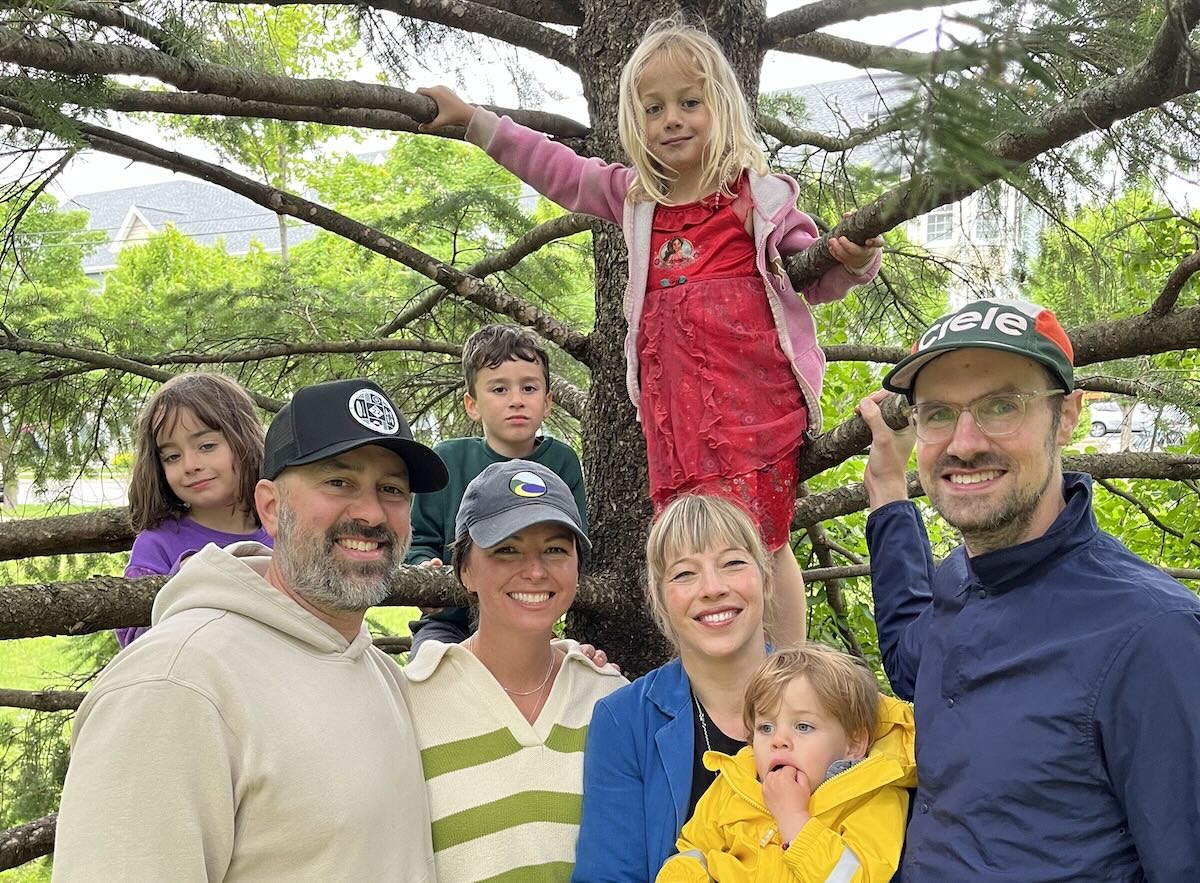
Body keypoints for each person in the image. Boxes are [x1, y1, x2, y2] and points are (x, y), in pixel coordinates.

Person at [418, 15, 884, 638]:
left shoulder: (758, 200)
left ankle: (788, 673)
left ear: (721, 109)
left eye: (690, 103)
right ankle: (714, 677)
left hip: (754, 413)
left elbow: (814, 274)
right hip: (679, 420)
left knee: (764, 546)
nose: (672, 119)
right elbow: (557, 169)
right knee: (690, 549)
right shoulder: (636, 198)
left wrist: (856, 258)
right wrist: (478, 123)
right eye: (653, 108)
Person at [857, 297, 1200, 881]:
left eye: (1000, 406)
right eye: (938, 414)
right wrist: (889, 497)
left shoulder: (1153, 636)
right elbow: (911, 661)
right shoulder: (960, 583)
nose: (964, 443)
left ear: (1067, 416)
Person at [53, 378, 449, 881]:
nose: (371, 513)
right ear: (269, 508)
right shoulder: (175, 688)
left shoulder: (375, 671)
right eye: (338, 482)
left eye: (391, 489)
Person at [403, 458, 626, 881]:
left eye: (556, 549)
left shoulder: (612, 698)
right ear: (465, 569)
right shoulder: (411, 701)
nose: (536, 570)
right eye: (507, 548)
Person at [575, 494, 788, 882]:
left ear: (766, 578)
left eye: (733, 563)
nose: (712, 588)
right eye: (685, 573)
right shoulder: (625, 722)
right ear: (660, 599)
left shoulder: (825, 694)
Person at [658, 645, 915, 882]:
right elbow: (691, 851)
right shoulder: (734, 784)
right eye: (766, 727)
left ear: (854, 743)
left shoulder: (872, 794)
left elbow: (859, 877)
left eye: (803, 726)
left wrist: (794, 818)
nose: (778, 740)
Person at [407, 323, 586, 658]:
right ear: (472, 404)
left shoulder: (561, 461)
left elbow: (574, 545)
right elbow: (419, 539)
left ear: (548, 402)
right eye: (500, 390)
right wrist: (424, 569)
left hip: (525, 617)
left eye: (529, 388)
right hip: (448, 621)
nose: (517, 400)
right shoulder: (448, 458)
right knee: (433, 674)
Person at [118, 372, 271, 647]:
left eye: (207, 446)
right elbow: (134, 644)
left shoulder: (284, 531)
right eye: (172, 456)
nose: (190, 465)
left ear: (245, 442)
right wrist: (184, 577)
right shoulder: (157, 546)